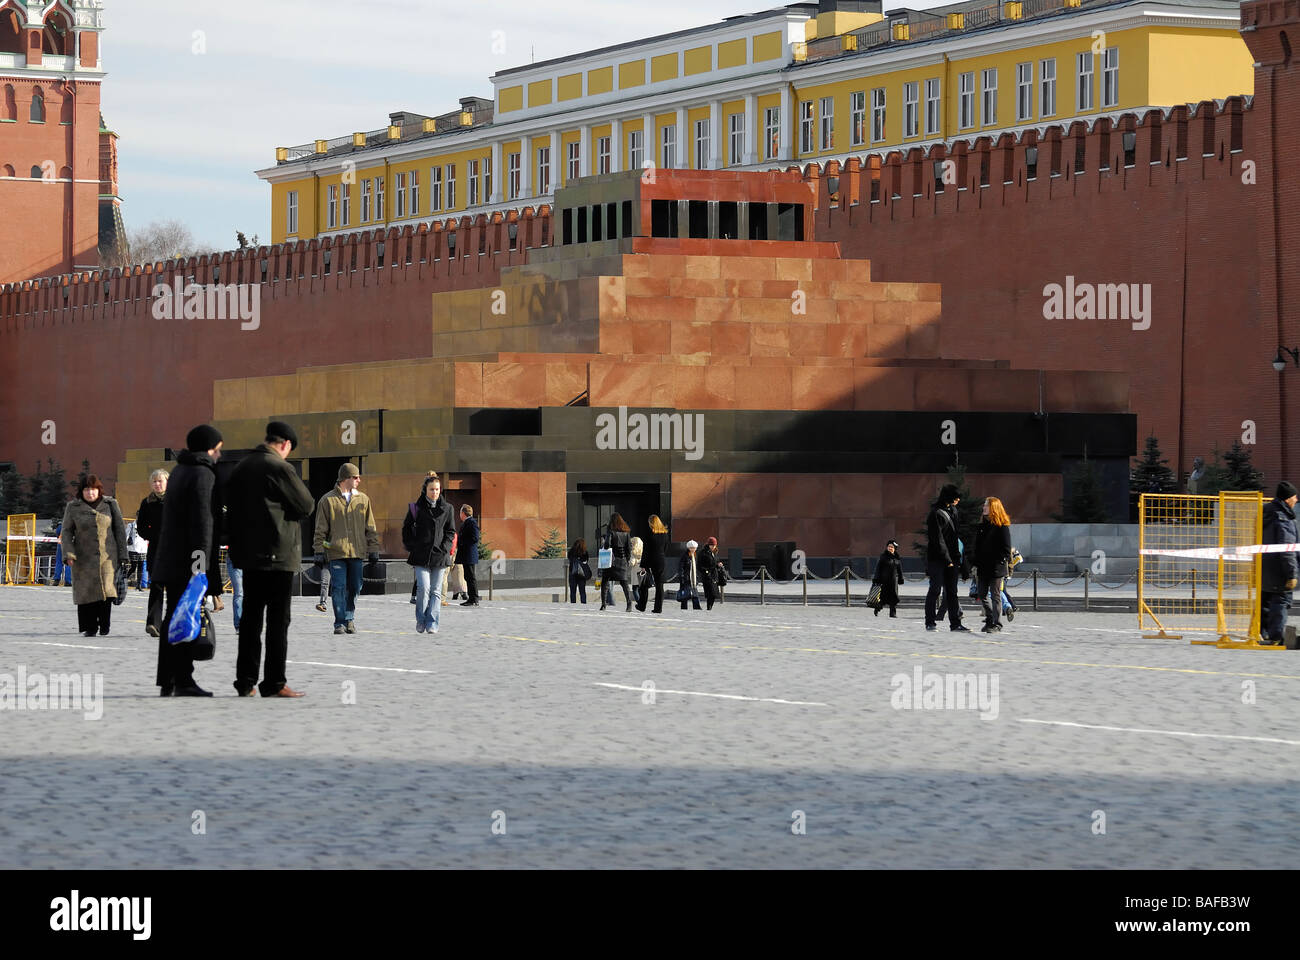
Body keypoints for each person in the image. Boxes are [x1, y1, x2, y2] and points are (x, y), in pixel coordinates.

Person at [226, 421, 316, 698]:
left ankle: (245, 682)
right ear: (285, 444)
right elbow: (306, 505)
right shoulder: (279, 467)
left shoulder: (241, 467)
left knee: (251, 620)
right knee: (278, 622)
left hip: (249, 556)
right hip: (278, 555)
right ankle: (274, 683)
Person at [152, 425, 226, 697]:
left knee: (173, 616)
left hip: (172, 559)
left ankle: (168, 679)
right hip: (189, 562)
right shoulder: (202, 473)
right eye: (218, 448)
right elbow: (203, 524)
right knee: (185, 617)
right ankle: (183, 679)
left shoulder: (181, 470)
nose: (219, 453)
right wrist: (200, 567)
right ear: (209, 448)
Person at [313, 462, 380, 635]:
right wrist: (319, 550)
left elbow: (370, 527)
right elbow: (320, 529)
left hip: (357, 552)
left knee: (356, 586)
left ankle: (349, 617)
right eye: (355, 477)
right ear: (345, 479)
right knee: (338, 587)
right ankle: (340, 622)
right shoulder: (327, 500)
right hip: (336, 553)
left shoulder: (363, 500)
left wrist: (373, 548)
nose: (359, 480)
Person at [60, 475, 128, 638]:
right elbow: (67, 531)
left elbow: (119, 530)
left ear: (99, 490)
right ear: (81, 491)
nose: (90, 493)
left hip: (108, 556)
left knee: (106, 591)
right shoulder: (73, 507)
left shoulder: (110, 504)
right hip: (83, 557)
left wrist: (123, 555)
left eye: (93, 489)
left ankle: (104, 624)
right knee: (86, 592)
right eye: (86, 489)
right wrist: (69, 553)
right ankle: (90, 627)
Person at [402, 473, 456, 634]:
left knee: (436, 590)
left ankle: (432, 623)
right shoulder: (415, 508)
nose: (435, 492)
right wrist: (412, 546)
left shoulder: (448, 508)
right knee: (423, 588)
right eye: (432, 489)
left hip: (440, 555)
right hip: (421, 555)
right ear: (425, 490)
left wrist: (445, 547)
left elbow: (450, 531)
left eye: (437, 489)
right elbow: (406, 529)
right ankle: (421, 619)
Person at [925, 483, 971, 632]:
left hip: (952, 558)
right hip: (937, 558)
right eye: (956, 497)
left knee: (952, 592)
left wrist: (960, 561)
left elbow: (955, 537)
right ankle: (930, 622)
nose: (958, 499)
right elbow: (937, 540)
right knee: (935, 590)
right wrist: (947, 559)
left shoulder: (954, 511)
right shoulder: (935, 513)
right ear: (948, 496)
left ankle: (955, 623)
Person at [1260, 481, 1299, 646]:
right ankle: (1276, 638)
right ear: (1287, 499)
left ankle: (1264, 634)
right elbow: (1287, 549)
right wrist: (1292, 574)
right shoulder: (1284, 519)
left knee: (1266, 601)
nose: (1296, 499)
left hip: (1265, 566)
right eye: (1294, 496)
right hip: (1279, 569)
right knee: (1281, 601)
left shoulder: (1266, 513)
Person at [135, 469, 168, 636]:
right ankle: (153, 624)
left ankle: (171, 624)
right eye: (154, 481)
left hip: (175, 550)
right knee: (156, 586)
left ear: (167, 482)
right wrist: (153, 535)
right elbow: (141, 527)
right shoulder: (146, 503)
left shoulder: (177, 500)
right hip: (155, 550)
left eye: (160, 481)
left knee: (176, 589)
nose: (157, 484)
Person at [974, 497, 1013, 633]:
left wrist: (1000, 561)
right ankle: (990, 619)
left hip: (996, 567)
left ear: (993, 508)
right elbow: (977, 547)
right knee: (982, 594)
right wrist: (975, 562)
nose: (984, 507)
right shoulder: (982, 526)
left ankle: (997, 624)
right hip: (983, 567)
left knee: (995, 595)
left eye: (986, 505)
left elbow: (1006, 548)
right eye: (984, 505)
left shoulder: (1002, 526)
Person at [600, 513, 633, 611]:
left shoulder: (611, 531)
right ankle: (629, 603)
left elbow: (606, 545)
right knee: (624, 583)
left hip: (611, 561)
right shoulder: (626, 532)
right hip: (622, 561)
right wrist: (626, 559)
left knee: (605, 582)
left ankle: (603, 604)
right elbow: (629, 548)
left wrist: (606, 537)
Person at [637, 514, 669, 613]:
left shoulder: (650, 534)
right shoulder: (665, 534)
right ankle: (658, 608)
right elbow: (665, 548)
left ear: (651, 523)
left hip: (650, 560)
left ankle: (642, 606)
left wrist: (643, 565)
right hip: (661, 560)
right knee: (660, 585)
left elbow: (646, 551)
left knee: (644, 584)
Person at [871, 539, 905, 617]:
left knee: (893, 597)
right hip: (884, 581)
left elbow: (900, 570)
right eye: (889, 546)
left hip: (893, 582)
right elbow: (878, 568)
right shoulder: (883, 557)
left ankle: (892, 613)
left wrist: (901, 578)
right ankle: (877, 608)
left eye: (892, 547)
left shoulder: (897, 558)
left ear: (895, 549)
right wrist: (876, 579)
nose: (890, 548)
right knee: (883, 597)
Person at [456, 504, 480, 606]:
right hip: (466, 555)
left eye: (460, 513)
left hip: (469, 554)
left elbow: (475, 538)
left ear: (463, 513)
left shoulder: (471, 522)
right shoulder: (467, 522)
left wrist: (462, 543)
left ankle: (474, 599)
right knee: (468, 576)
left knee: (470, 577)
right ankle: (472, 598)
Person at [677, 539, 703, 610]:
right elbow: (681, 567)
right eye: (691, 548)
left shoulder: (695, 556)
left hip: (693, 579)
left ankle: (697, 607)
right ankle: (684, 607)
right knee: (685, 593)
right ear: (688, 548)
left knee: (695, 594)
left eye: (694, 548)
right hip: (686, 578)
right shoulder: (685, 556)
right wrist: (682, 577)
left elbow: (696, 568)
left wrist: (697, 577)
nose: (693, 549)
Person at [698, 536, 721, 610]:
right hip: (707, 576)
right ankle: (709, 607)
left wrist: (718, 565)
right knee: (710, 593)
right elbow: (699, 565)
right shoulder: (703, 553)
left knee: (714, 594)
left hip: (714, 576)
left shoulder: (714, 552)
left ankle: (709, 607)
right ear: (708, 544)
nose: (713, 547)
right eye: (711, 545)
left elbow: (715, 562)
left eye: (714, 545)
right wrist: (705, 572)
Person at [568, 538, 590, 604]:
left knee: (572, 591)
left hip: (573, 573)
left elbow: (570, 559)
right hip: (581, 574)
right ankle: (583, 603)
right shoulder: (585, 552)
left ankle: (573, 603)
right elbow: (586, 561)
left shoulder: (571, 551)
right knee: (582, 591)